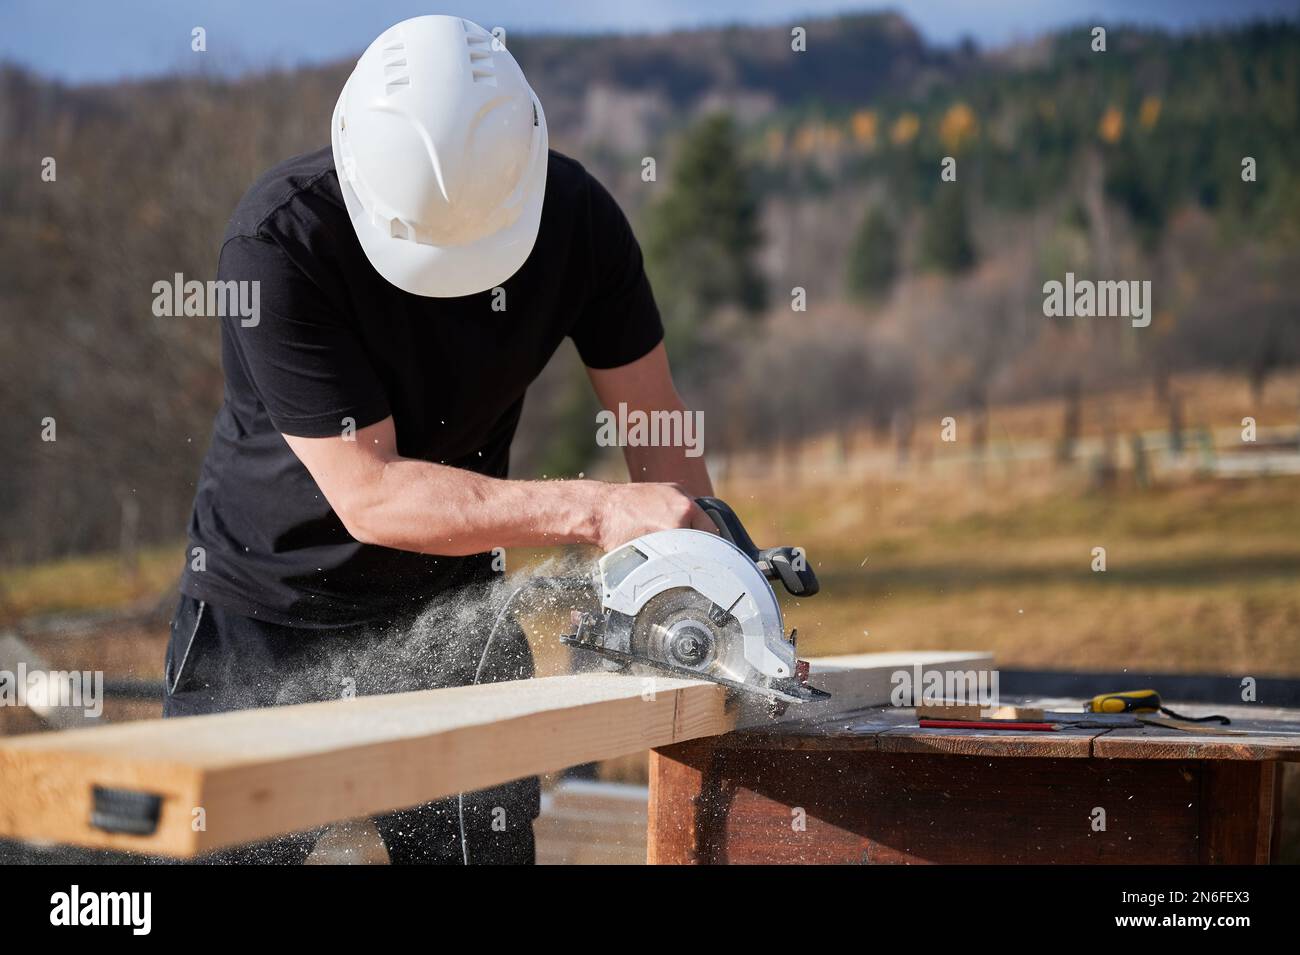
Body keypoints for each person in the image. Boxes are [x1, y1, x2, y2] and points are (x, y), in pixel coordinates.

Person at [167, 14, 713, 864]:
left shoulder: (579, 222)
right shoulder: (278, 245)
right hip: (263, 616)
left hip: (455, 607)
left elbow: (654, 417)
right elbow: (373, 493)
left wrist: (707, 578)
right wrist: (598, 510)